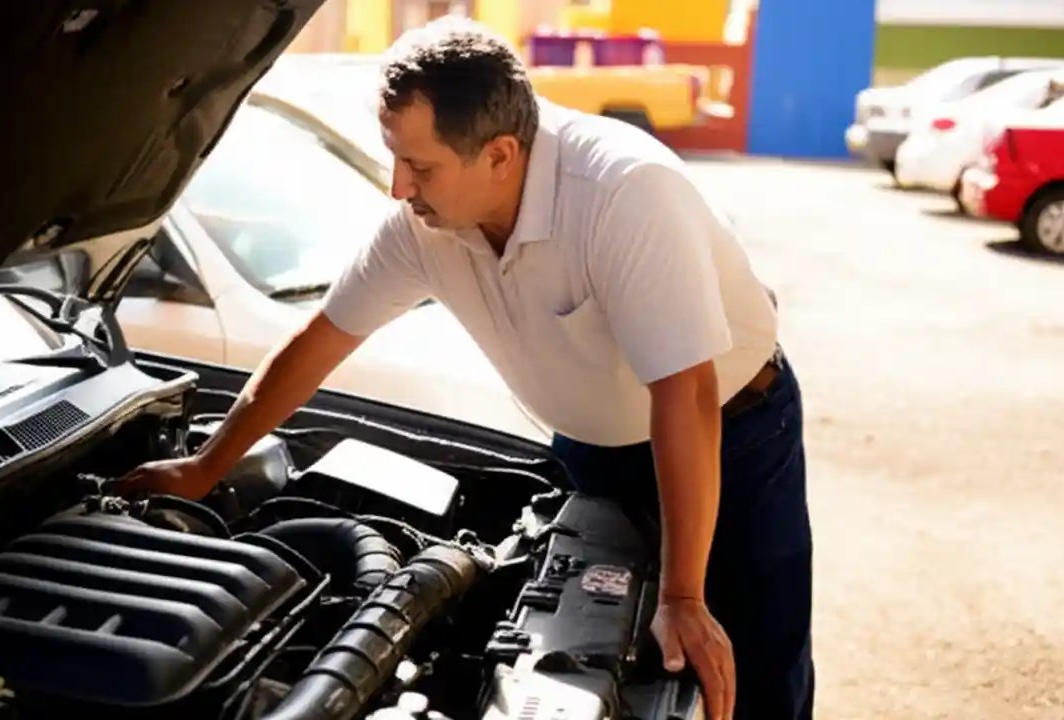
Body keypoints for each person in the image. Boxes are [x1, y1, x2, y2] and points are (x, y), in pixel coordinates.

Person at [119, 16, 814, 720]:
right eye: (395, 158)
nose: (397, 187)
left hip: (729, 435)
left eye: (420, 167)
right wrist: (207, 467)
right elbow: (320, 341)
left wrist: (684, 596)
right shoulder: (425, 229)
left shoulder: (623, 193)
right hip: (593, 451)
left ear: (503, 155)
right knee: (623, 669)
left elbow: (685, 391)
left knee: (748, 663)